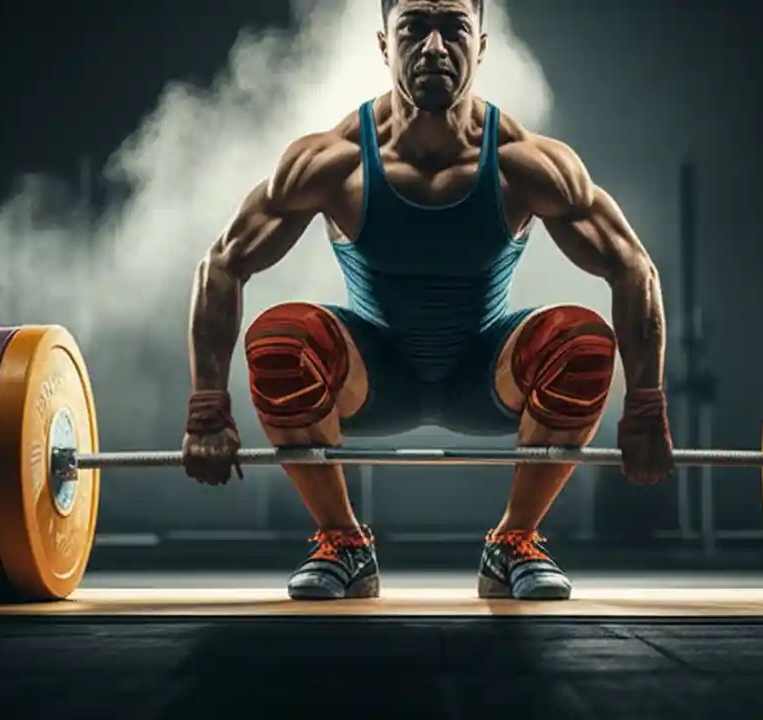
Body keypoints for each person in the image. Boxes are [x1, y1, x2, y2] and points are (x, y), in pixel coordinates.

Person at [182, 0, 674, 601]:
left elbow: (632, 266)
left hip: (486, 373)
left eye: (454, 28)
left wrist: (646, 408)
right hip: (373, 375)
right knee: (280, 339)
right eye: (415, 27)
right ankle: (344, 544)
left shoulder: (526, 163)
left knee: (583, 340)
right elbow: (224, 263)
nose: (435, 47)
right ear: (386, 44)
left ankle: (514, 542)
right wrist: (207, 409)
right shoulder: (333, 163)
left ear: (481, 44)